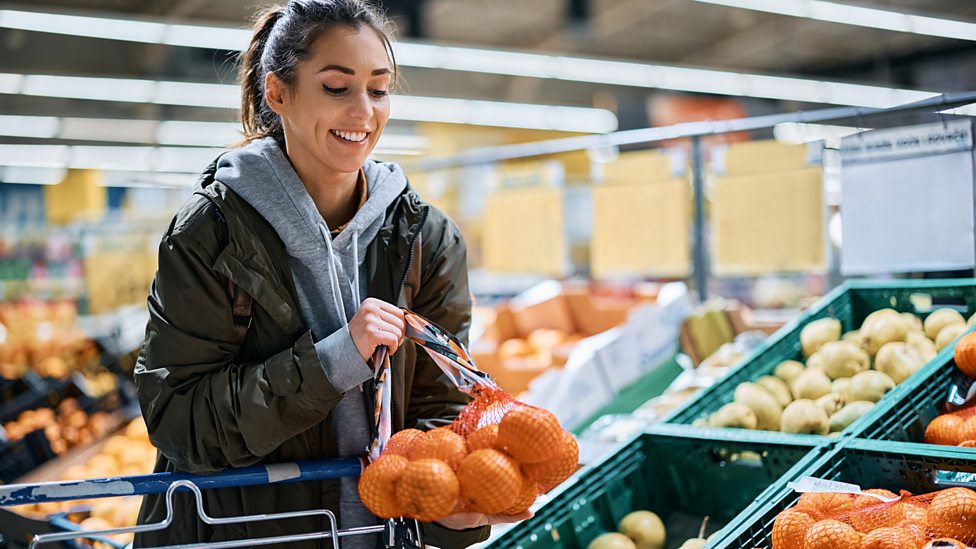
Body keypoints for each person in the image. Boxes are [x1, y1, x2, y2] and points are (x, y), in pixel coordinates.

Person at [132, 1, 525, 546]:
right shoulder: (211, 234)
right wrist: (333, 361)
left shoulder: (426, 239)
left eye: (378, 89)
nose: (363, 112)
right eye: (337, 88)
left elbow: (440, 412)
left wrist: (449, 507)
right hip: (240, 535)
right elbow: (180, 420)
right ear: (278, 93)